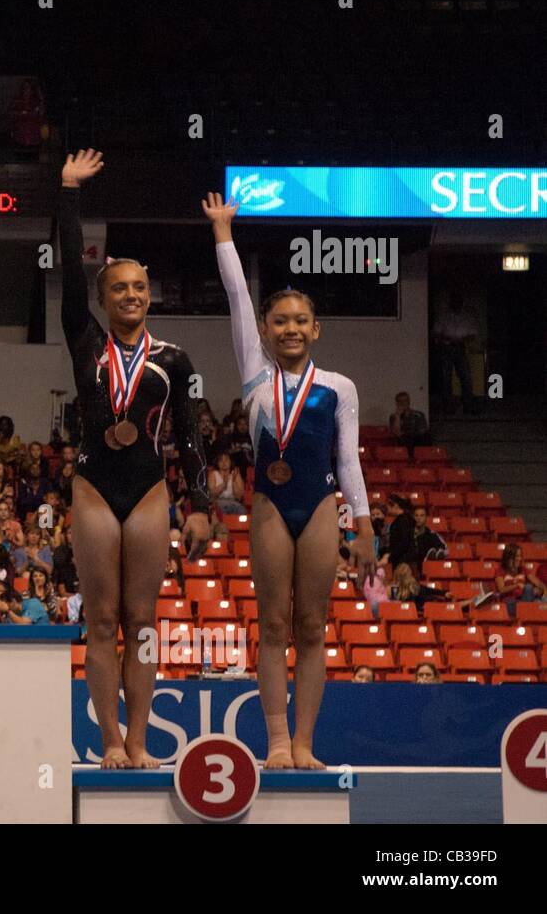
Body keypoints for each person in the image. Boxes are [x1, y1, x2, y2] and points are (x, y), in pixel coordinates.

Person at [205, 190, 374, 770]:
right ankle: (276, 742)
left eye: (302, 320)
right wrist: (223, 232)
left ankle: (305, 743)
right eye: (280, 321)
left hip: (322, 503)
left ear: (317, 328)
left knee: (312, 625)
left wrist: (367, 528)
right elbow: (235, 295)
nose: (291, 329)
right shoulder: (255, 375)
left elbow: (348, 461)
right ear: (265, 330)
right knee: (272, 622)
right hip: (271, 503)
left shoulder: (339, 387)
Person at [60, 151, 211, 769]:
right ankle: (109, 741)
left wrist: (199, 505)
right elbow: (70, 272)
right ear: (103, 296)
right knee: (101, 620)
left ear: (151, 296)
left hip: (149, 489)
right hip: (95, 484)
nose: (129, 295)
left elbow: (192, 437)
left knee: (142, 619)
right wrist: (68, 193)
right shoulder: (85, 339)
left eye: (139, 287)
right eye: (118, 287)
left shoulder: (175, 360)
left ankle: (143, 740)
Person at [432, 293, 479, 414]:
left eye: (458, 301)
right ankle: (447, 406)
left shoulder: (467, 317)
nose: (456, 304)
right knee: (445, 378)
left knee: (465, 377)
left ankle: (468, 405)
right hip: (446, 348)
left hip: (460, 348)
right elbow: (436, 332)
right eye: (454, 301)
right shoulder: (444, 316)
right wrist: (446, 338)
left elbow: (473, 334)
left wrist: (461, 340)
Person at [389, 391, 430, 455]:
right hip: (404, 442)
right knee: (403, 438)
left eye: (405, 400)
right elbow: (396, 432)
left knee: (425, 437)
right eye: (400, 401)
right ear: (397, 403)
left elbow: (423, 430)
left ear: (409, 402)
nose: (403, 403)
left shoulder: (418, 414)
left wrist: (406, 433)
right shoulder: (393, 417)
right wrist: (398, 416)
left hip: (417, 439)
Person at [208, 450, 247, 515]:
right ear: (217, 463)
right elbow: (212, 494)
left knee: (241, 510)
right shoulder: (213, 474)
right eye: (221, 460)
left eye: (226, 460)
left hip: (234, 503)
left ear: (230, 462)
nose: (224, 463)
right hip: (218, 503)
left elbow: (239, 496)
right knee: (221, 509)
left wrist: (233, 481)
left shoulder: (235, 474)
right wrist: (224, 484)